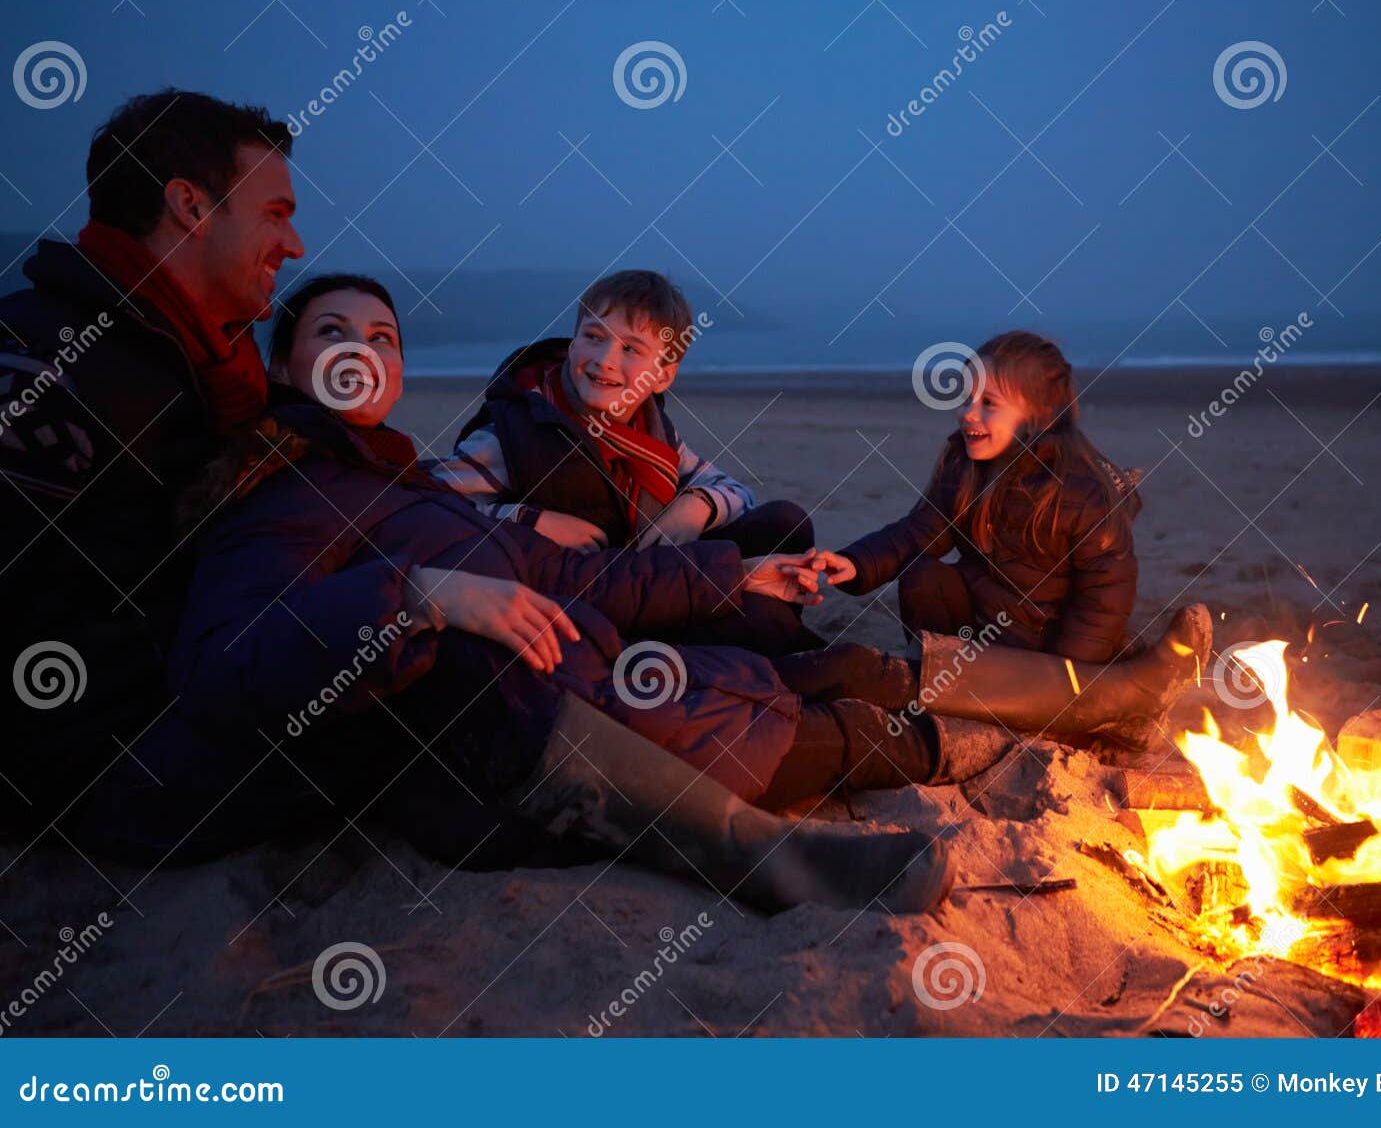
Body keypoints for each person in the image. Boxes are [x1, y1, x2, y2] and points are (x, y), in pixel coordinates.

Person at [168, 273, 958, 912]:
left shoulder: (388, 475)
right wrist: (419, 591)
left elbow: (583, 567)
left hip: (586, 624)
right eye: (332, 334)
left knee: (762, 629)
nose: (361, 355)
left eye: (382, 339)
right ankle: (850, 795)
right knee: (733, 708)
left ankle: (919, 703)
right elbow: (221, 662)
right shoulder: (298, 488)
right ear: (280, 366)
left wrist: (719, 557)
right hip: (522, 714)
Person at [0, 89, 303, 826]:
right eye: (275, 214)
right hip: (82, 754)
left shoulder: (202, 365)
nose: (294, 246)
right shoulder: (52, 367)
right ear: (191, 208)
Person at [808, 330, 1210, 752]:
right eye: (966, 400)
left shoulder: (1080, 491)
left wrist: (1064, 678)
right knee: (922, 576)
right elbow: (918, 531)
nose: (968, 414)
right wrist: (857, 563)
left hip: (1052, 643)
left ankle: (1104, 711)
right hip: (985, 626)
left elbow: (1104, 595)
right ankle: (949, 686)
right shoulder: (964, 467)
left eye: (988, 405)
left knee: (1088, 672)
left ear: (1039, 417)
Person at [432, 270, 819, 654]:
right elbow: (428, 507)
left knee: (786, 522)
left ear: (663, 375)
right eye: (594, 337)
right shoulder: (514, 434)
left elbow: (736, 492)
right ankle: (788, 656)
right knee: (761, 619)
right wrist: (528, 519)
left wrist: (696, 505)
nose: (605, 360)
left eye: (631, 349)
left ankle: (781, 648)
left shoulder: (651, 433)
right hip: (596, 604)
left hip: (659, 577)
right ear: (572, 342)